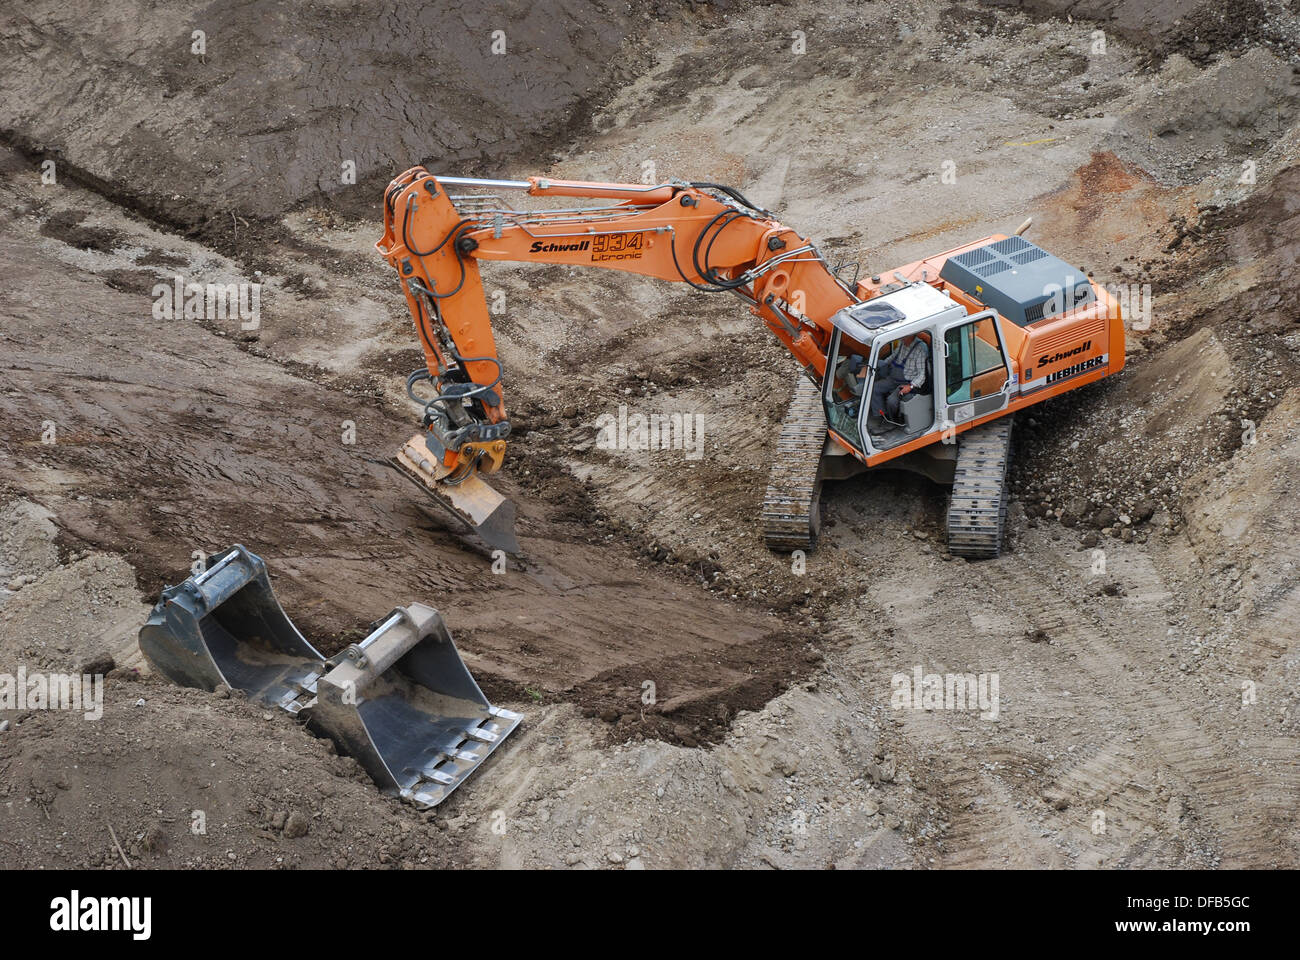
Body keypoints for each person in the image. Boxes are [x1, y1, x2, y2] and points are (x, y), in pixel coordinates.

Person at [871, 333, 929, 423]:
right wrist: (879, 364)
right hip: (892, 378)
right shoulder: (902, 342)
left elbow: (922, 374)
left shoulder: (920, 349)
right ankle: (880, 416)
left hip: (906, 382)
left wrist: (911, 386)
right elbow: (893, 356)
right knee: (874, 388)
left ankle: (892, 421)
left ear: (911, 335)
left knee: (891, 401)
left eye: (903, 337)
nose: (901, 339)